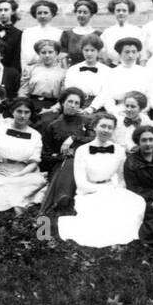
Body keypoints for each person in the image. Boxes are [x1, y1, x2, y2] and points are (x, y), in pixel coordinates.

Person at [57, 112, 146, 248]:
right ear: (94, 127)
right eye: (102, 126)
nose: (106, 130)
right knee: (103, 214)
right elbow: (81, 183)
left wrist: (118, 190)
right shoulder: (82, 150)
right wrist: (104, 191)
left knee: (136, 203)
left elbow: (122, 178)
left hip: (112, 188)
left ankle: (120, 238)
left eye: (110, 127)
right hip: (89, 193)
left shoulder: (119, 150)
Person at [36, 87, 95, 216]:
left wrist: (73, 138)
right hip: (60, 164)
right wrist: (63, 156)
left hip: (85, 164)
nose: (73, 106)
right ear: (63, 102)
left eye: (76, 103)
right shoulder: (52, 125)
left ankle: (64, 200)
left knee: (74, 162)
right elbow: (45, 156)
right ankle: (62, 200)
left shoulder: (87, 121)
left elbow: (93, 140)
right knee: (69, 163)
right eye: (70, 102)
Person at [0, 97, 47, 213]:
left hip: (25, 173)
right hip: (1, 172)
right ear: (12, 111)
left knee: (36, 182)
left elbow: (34, 162)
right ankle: (16, 207)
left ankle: (12, 208)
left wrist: (19, 174)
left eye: (26, 112)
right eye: (19, 111)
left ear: (31, 114)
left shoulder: (35, 135)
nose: (22, 115)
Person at [63, 36, 110, 112]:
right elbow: (69, 90)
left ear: (98, 51)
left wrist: (92, 108)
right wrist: (76, 106)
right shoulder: (73, 69)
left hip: (98, 106)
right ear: (82, 50)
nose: (89, 53)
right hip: (76, 104)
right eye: (86, 50)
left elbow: (105, 93)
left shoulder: (106, 71)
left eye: (92, 50)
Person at [20, 0, 66, 70]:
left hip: (53, 70)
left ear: (52, 14)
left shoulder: (59, 33)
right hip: (32, 69)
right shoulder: (27, 32)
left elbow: (59, 56)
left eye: (45, 13)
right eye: (39, 13)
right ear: (35, 15)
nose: (42, 16)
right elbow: (24, 57)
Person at [102, 0, 146, 67]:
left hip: (133, 66)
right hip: (113, 66)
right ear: (114, 12)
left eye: (124, 10)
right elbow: (105, 55)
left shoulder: (137, 31)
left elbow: (142, 55)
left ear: (129, 12)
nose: (121, 13)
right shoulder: (107, 32)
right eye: (118, 10)